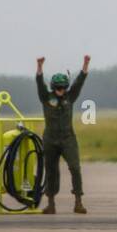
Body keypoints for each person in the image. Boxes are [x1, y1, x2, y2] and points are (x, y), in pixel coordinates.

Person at [35, 54, 91, 214]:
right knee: (51, 170)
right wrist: (39, 67)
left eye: (64, 87)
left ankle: (78, 202)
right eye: (59, 88)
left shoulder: (70, 97)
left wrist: (85, 65)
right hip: (50, 140)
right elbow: (39, 83)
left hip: (68, 139)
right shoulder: (46, 98)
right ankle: (51, 204)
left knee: (75, 168)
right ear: (53, 87)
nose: (62, 90)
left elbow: (79, 83)